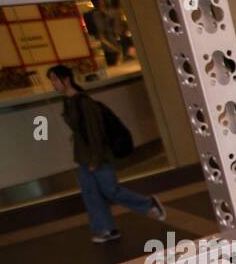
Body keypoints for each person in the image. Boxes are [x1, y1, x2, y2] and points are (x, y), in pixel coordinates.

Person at [47, 64, 165, 244]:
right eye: (52, 80)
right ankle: (106, 229)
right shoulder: (69, 101)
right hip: (83, 157)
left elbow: (96, 133)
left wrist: (95, 159)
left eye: (55, 79)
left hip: (97, 156)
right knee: (90, 193)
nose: (53, 84)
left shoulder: (84, 103)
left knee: (111, 190)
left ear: (66, 79)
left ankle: (149, 204)